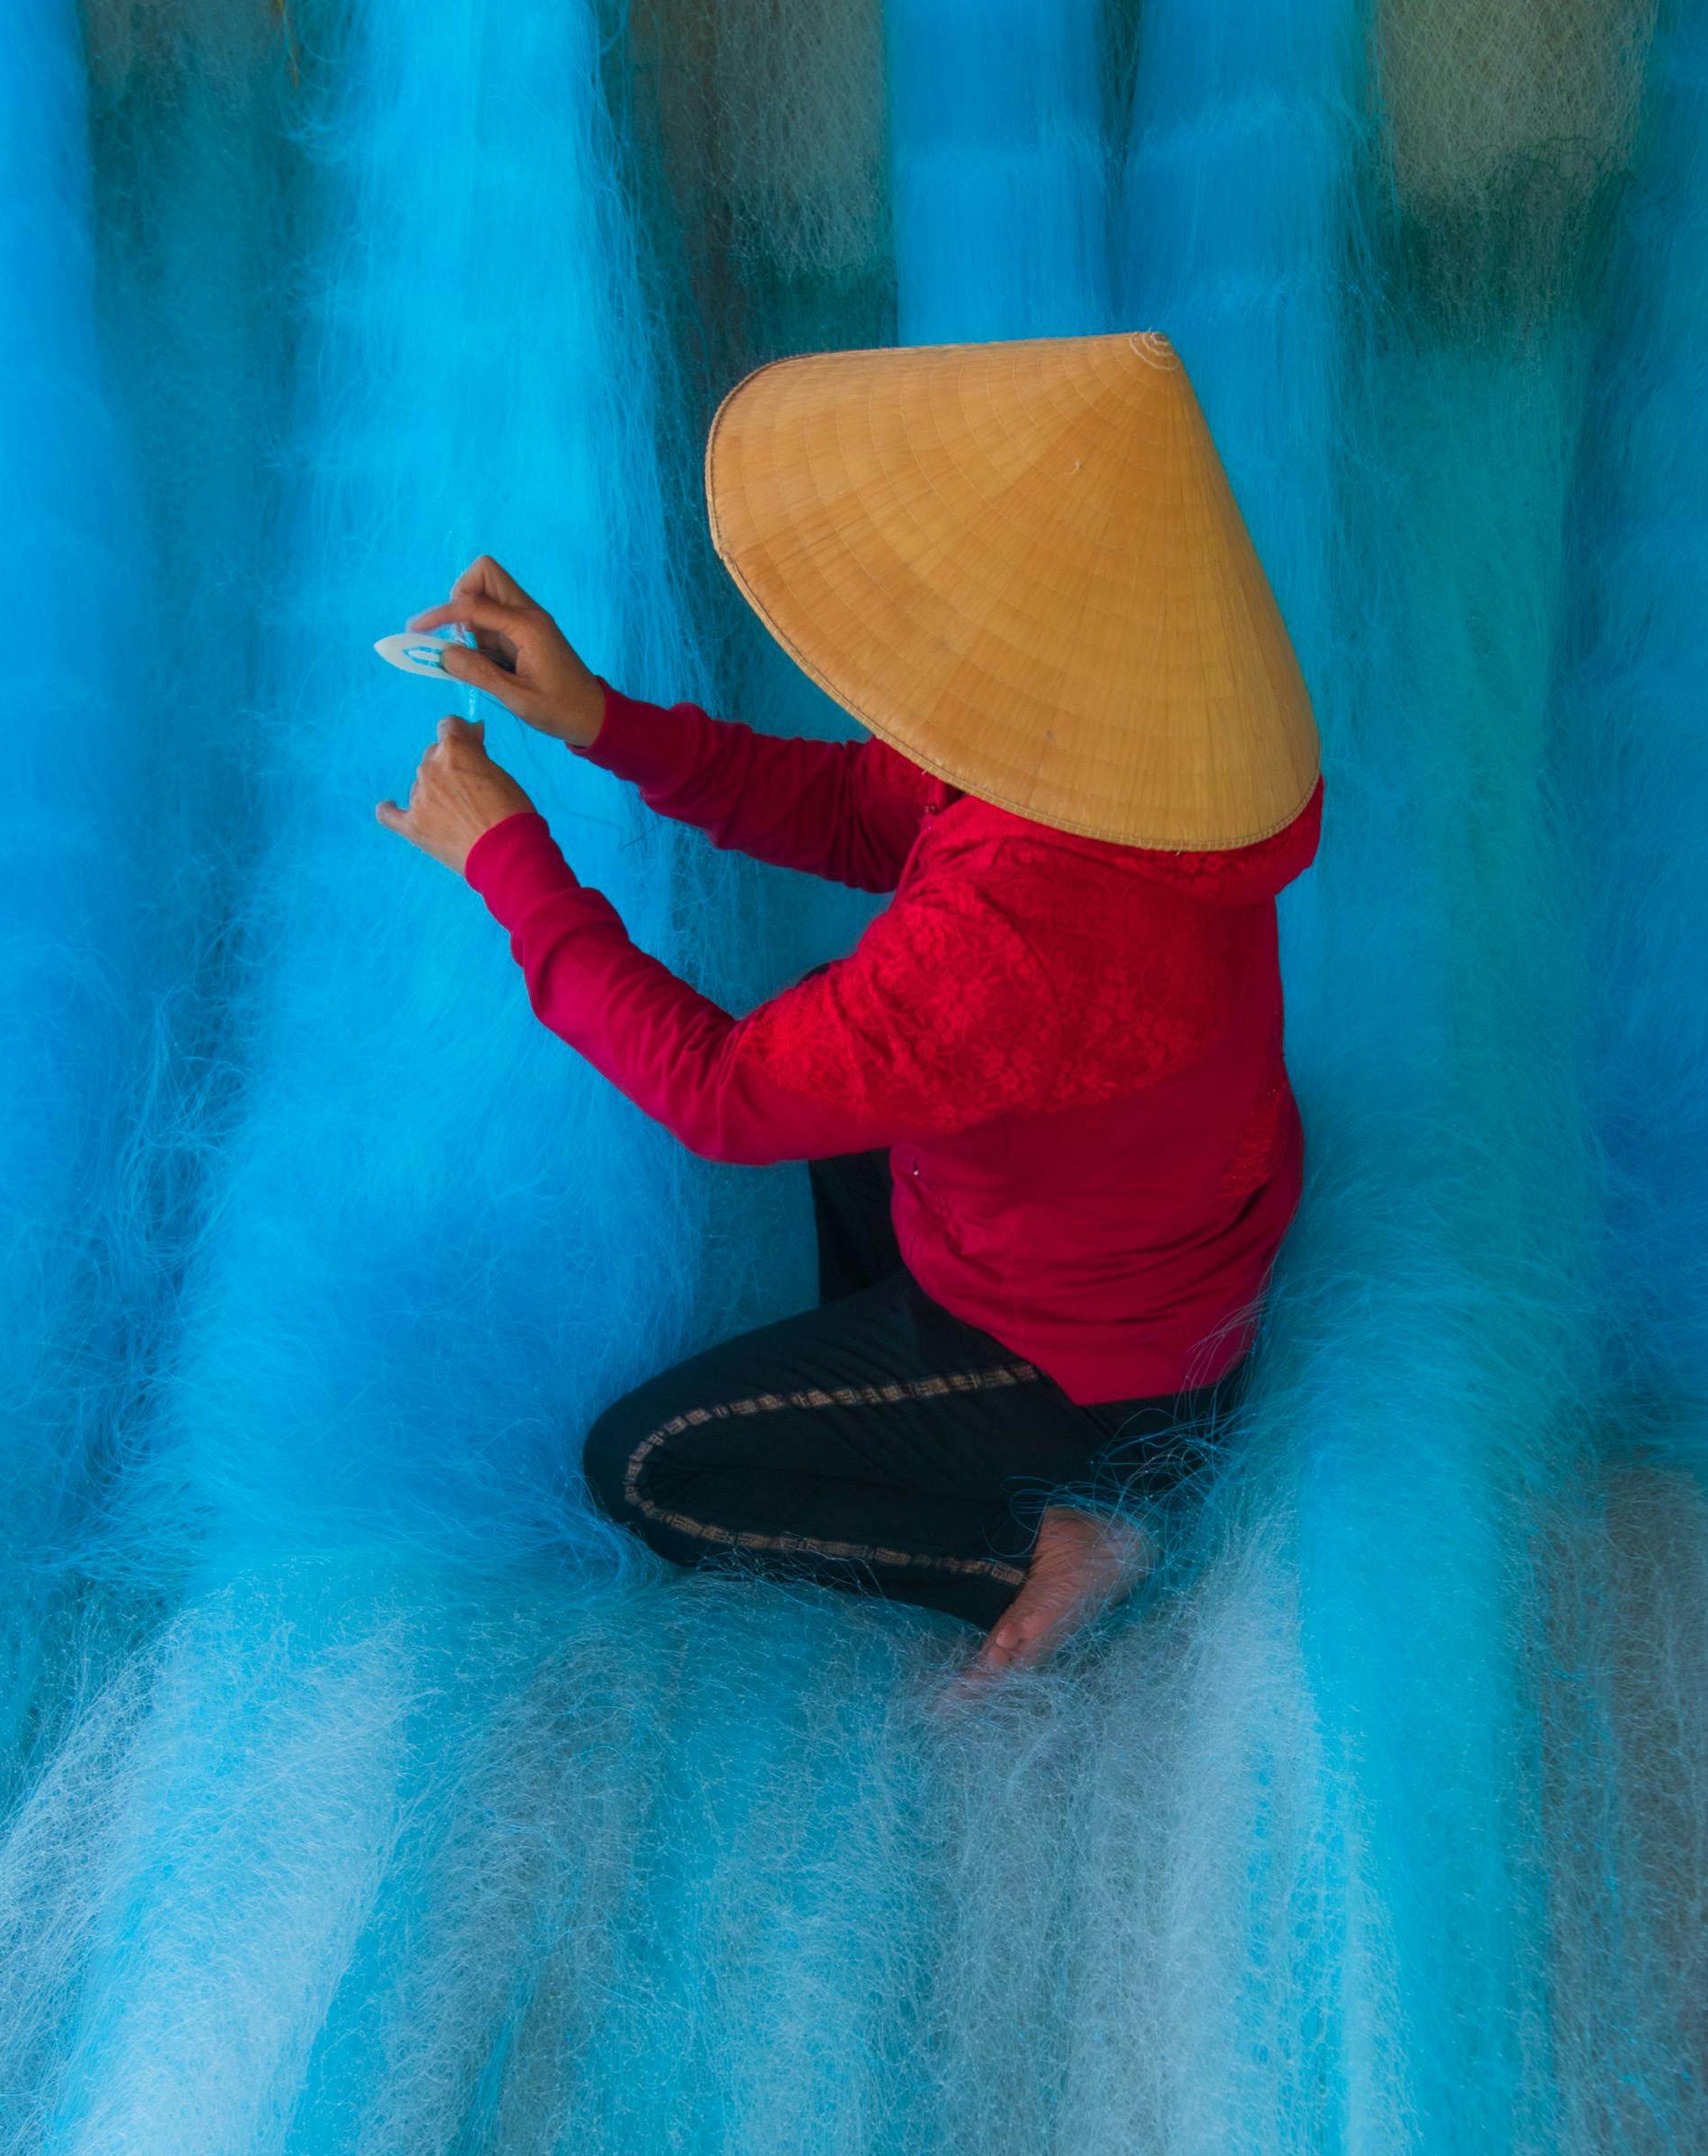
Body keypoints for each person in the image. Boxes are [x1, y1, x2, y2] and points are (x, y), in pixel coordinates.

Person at [377, 329, 1324, 1674]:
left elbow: (720, 1094)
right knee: (851, 1122)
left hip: (1097, 1370)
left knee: (645, 1468)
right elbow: (853, 806)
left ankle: (1052, 1548)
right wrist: (600, 719)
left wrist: (506, 863)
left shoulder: (1023, 933)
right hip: (1163, 1253)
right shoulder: (1118, 756)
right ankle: (935, 1400)